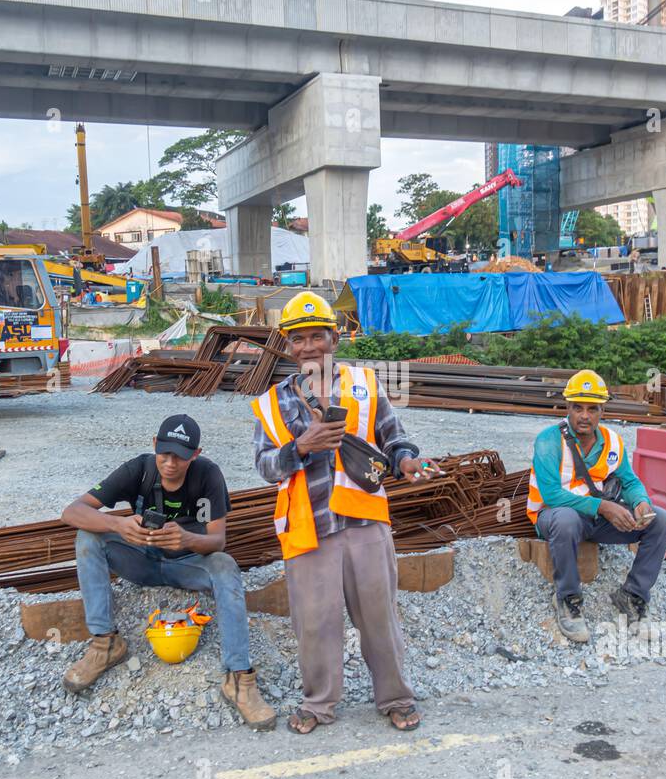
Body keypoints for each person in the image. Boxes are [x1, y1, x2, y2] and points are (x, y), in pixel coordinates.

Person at [251, 291, 442, 735]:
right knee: (314, 622)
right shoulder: (272, 403)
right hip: (308, 525)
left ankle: (396, 697)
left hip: (364, 522)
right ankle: (318, 704)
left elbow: (394, 438)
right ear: (287, 346)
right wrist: (301, 447)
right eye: (297, 340)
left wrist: (408, 461)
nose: (307, 347)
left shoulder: (366, 384)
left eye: (316, 337)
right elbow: (264, 466)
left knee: (379, 615)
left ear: (333, 338)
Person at [60, 414, 276, 731]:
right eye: (165, 453)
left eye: (180, 456)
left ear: (196, 455)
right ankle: (105, 645)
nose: (171, 463)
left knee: (225, 566)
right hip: (142, 561)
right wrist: (117, 524)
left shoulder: (208, 475)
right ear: (154, 446)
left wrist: (188, 539)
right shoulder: (140, 469)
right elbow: (72, 511)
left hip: (188, 565)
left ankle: (239, 678)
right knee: (88, 536)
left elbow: (218, 540)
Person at [525, 369, 666, 644]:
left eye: (592, 409)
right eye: (577, 408)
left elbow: (629, 481)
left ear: (602, 410)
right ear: (567, 407)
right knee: (567, 520)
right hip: (553, 516)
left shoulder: (613, 441)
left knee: (661, 520)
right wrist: (604, 508)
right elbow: (552, 495)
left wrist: (641, 503)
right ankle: (568, 598)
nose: (584, 415)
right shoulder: (548, 441)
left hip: (594, 518)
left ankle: (633, 595)